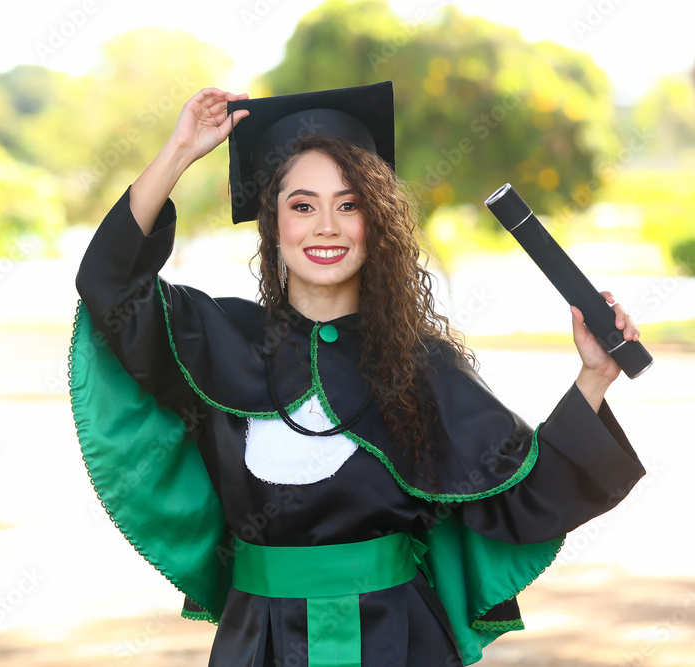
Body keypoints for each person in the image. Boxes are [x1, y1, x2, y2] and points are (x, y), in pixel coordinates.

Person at [69, 83, 646, 666]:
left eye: (349, 206)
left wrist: (595, 376)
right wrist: (179, 152)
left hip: (399, 639)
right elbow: (108, 284)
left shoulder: (421, 366)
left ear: (377, 222)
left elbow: (521, 493)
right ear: (273, 223)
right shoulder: (219, 338)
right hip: (258, 643)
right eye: (302, 206)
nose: (327, 226)